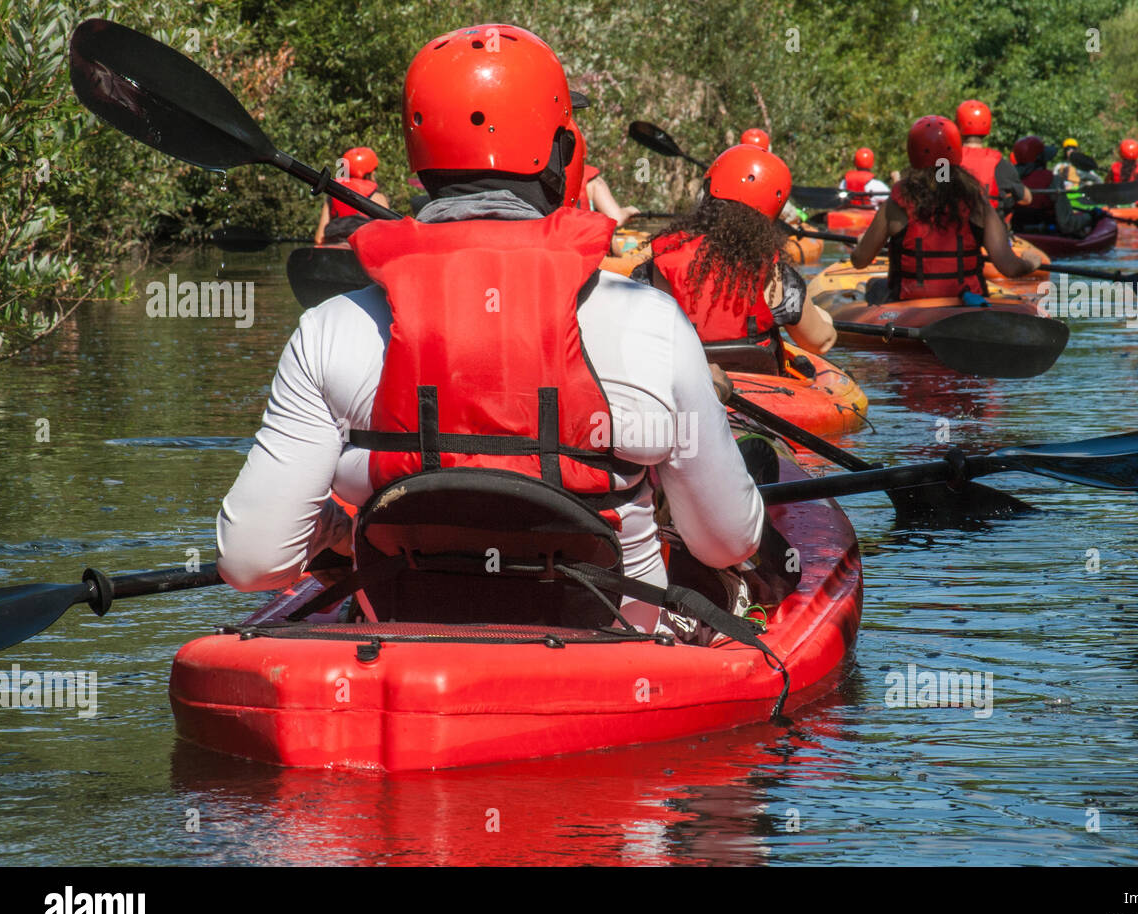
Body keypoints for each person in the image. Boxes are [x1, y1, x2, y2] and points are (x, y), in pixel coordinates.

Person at [217, 24, 767, 634]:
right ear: (562, 151)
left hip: (399, 650)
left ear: (418, 156)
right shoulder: (650, 322)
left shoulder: (330, 328)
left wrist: (338, 535)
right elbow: (726, 541)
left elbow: (253, 562)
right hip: (614, 655)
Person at [628, 144, 837, 364]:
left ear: (708, 195)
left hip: (680, 380)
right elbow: (820, 342)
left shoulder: (662, 263)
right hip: (759, 385)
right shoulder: (775, 274)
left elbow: (635, 336)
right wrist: (827, 320)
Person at [848, 115, 1042, 302]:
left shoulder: (896, 203)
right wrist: (1031, 262)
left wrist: (862, 244)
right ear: (955, 151)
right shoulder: (976, 201)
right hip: (965, 302)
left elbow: (860, 261)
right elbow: (1009, 267)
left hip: (908, 304)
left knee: (874, 285)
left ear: (912, 152)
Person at [954, 99, 1029, 216]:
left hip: (955, 228)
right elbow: (1027, 199)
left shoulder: (945, 161)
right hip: (989, 229)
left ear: (957, 126)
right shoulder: (1000, 163)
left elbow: (935, 192)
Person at [1011, 135, 1094, 238]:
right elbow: (1066, 224)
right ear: (1042, 159)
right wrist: (1090, 217)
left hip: (1018, 233)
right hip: (1047, 236)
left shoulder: (1009, 179)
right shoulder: (1053, 180)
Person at [312, 147, 392, 245]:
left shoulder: (333, 195)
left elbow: (319, 239)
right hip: (362, 252)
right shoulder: (377, 197)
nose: (374, 173)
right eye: (373, 170)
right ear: (367, 172)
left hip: (335, 251)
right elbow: (388, 235)